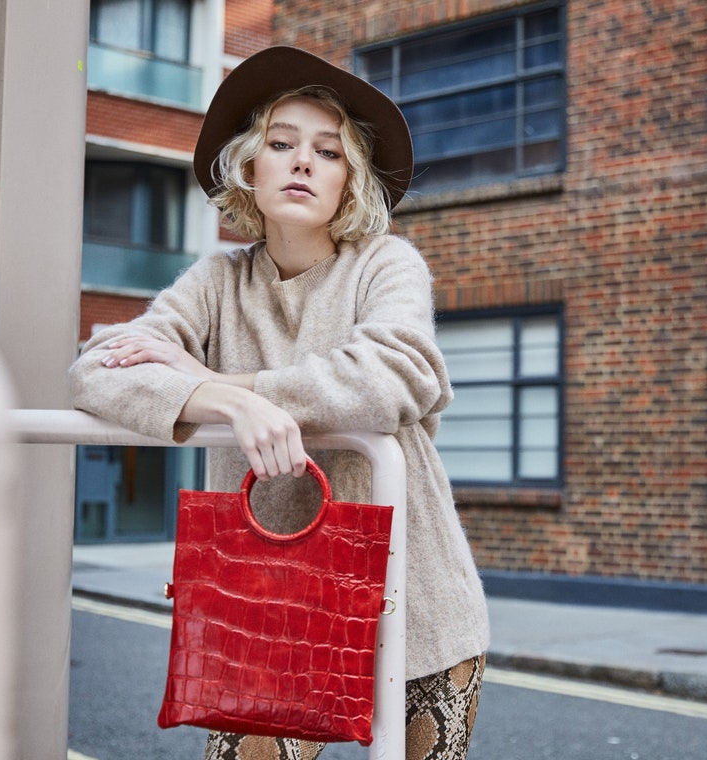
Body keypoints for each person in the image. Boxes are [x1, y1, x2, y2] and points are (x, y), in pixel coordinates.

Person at [69, 45, 490, 760]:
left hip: (417, 600)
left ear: (349, 179)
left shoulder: (386, 264)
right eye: (281, 143)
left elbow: (390, 377)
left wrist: (236, 390)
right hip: (269, 609)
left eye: (328, 152)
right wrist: (220, 403)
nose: (302, 162)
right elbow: (97, 370)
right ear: (248, 166)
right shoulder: (213, 281)